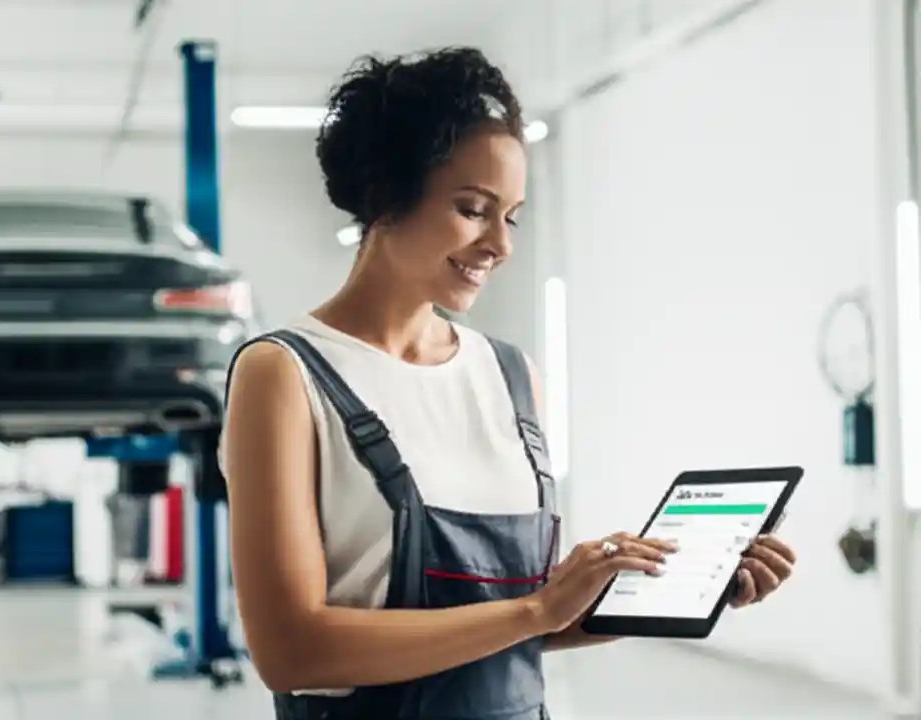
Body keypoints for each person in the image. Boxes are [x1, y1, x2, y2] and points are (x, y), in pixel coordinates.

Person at [221, 48, 798, 719]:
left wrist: (687, 591)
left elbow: (522, 634)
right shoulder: (284, 374)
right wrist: (536, 607)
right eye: (473, 208)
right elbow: (291, 650)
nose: (502, 243)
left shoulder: (510, 376)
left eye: (512, 216)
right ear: (385, 196)